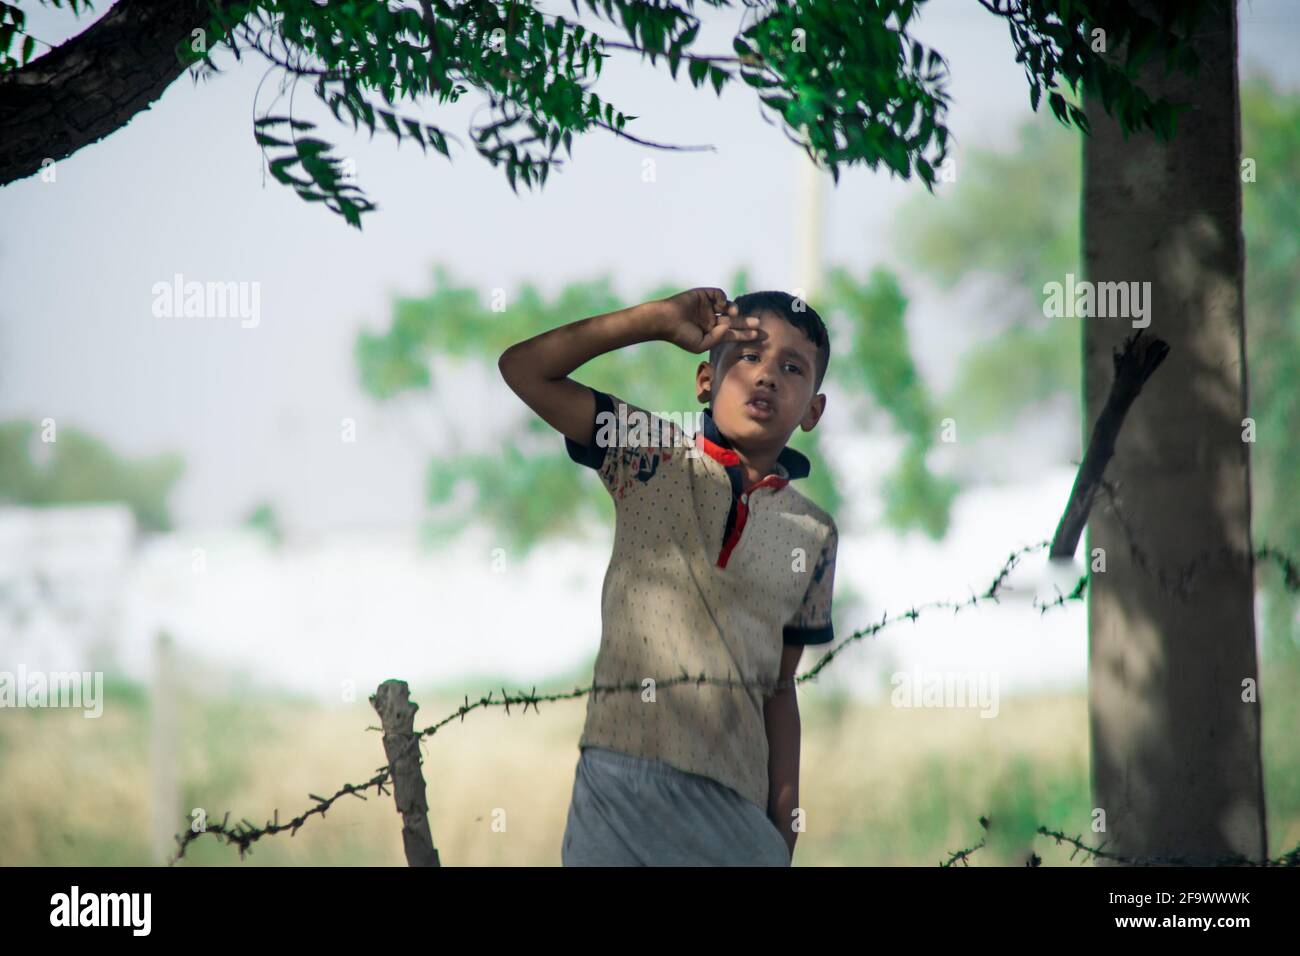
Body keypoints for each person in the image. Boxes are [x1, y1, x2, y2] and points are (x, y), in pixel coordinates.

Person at [498, 288, 837, 866]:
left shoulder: (814, 532)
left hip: (734, 812)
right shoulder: (648, 455)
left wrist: (783, 834)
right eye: (746, 356)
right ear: (705, 381)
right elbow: (525, 370)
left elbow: (780, 690)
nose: (766, 377)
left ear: (812, 410)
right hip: (619, 785)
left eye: (791, 367)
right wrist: (653, 320)